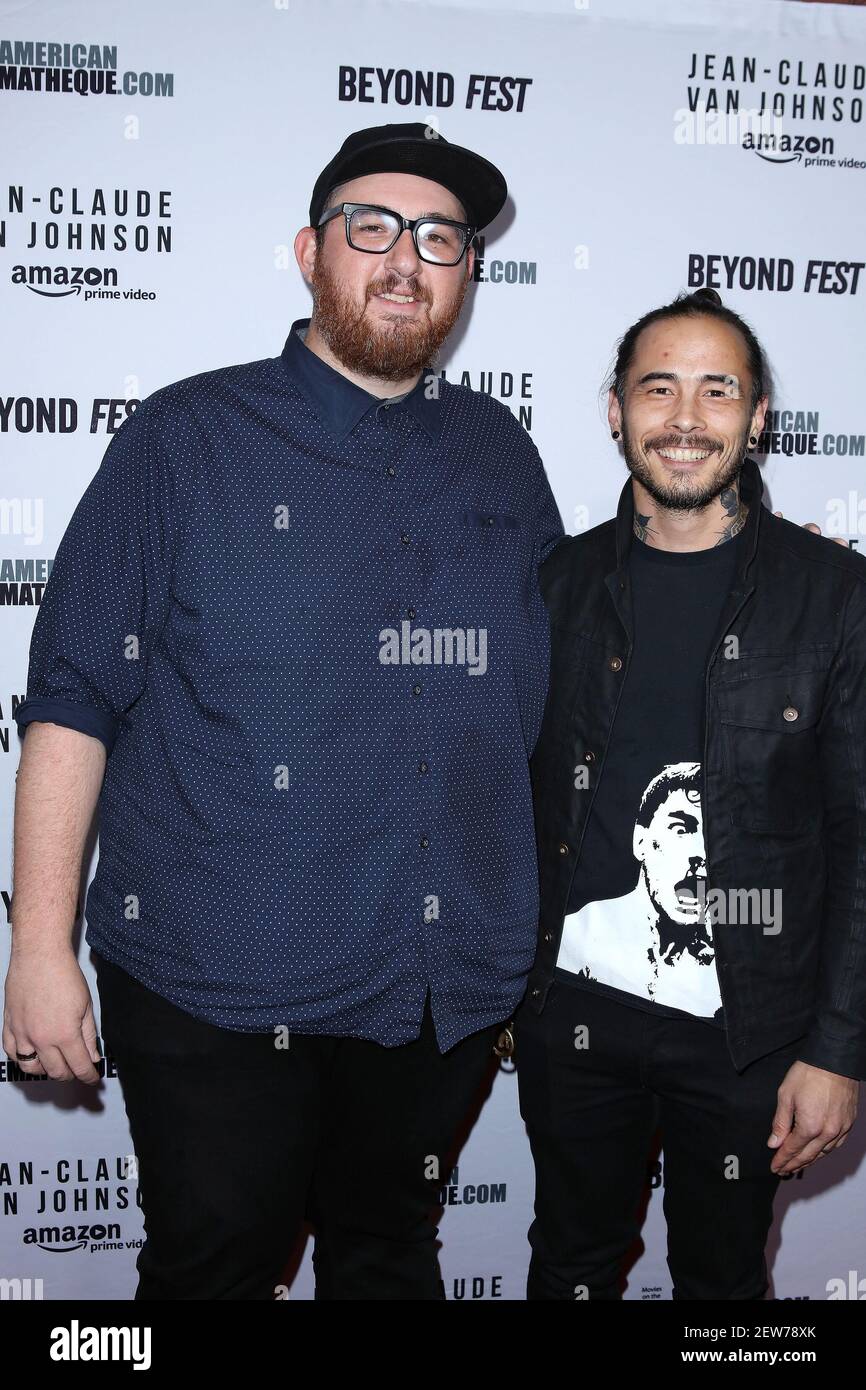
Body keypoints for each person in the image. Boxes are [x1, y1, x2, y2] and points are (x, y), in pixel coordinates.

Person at [3, 122, 564, 1300]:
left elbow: (565, 668)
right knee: (213, 1273)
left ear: (466, 272)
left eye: (439, 238)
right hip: (217, 982)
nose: (404, 258)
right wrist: (39, 948)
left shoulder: (500, 454)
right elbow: (72, 697)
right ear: (312, 251)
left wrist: (739, 565)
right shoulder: (183, 438)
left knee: (388, 1259)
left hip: (433, 985)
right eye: (372, 227)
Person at [517, 287, 865, 1301]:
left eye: (716, 390)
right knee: (569, 1264)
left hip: (749, 1028)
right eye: (656, 387)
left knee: (723, 1283)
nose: (683, 417)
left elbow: (858, 834)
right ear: (613, 410)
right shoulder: (552, 584)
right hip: (573, 1013)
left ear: (757, 419)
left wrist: (837, 1050)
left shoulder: (834, 597)